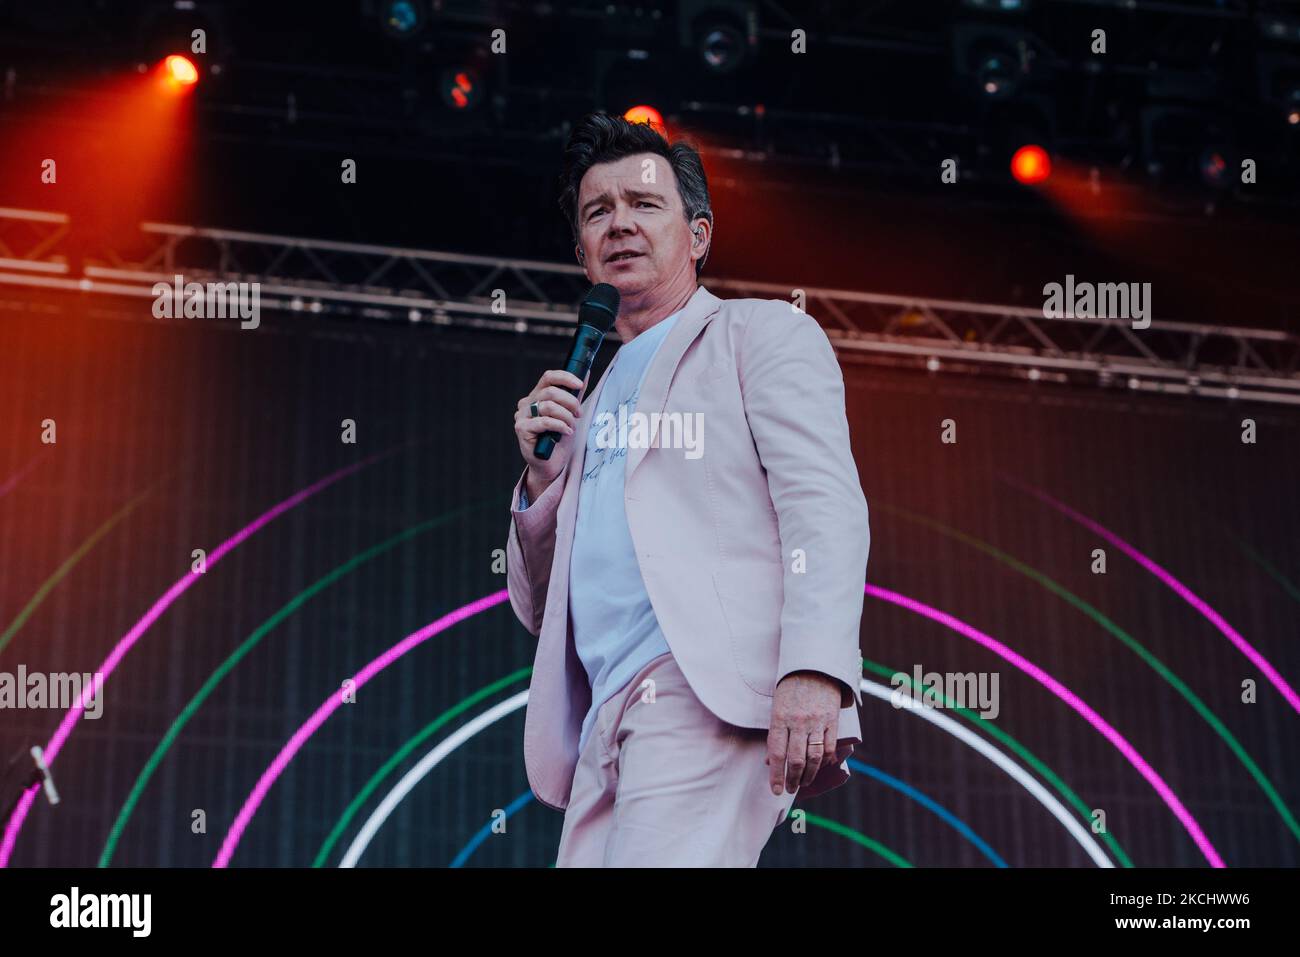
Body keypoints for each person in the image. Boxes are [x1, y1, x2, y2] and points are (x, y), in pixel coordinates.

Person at [506, 112, 870, 866]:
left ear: (698, 235)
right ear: (583, 254)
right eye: (598, 211)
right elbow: (542, 606)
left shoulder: (758, 334)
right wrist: (542, 478)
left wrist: (815, 665)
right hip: (604, 715)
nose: (621, 224)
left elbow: (823, 504)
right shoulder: (587, 400)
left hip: (696, 687)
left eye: (645, 205)